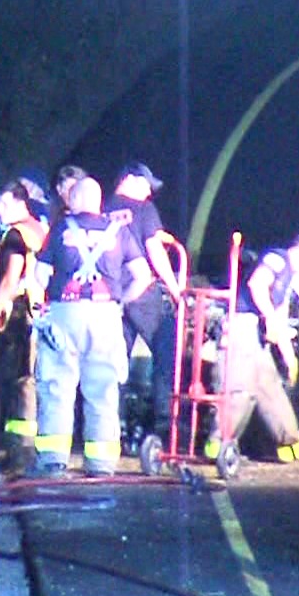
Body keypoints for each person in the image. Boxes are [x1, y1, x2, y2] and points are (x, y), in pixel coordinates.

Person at [32, 178, 151, 477]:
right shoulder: (119, 231)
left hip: (64, 314)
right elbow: (142, 275)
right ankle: (100, 462)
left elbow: (39, 274)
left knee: (57, 386)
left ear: (73, 201)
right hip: (105, 317)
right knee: (103, 390)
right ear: (99, 201)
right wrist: (121, 300)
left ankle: (53, 460)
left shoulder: (61, 229)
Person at [207, 236, 299, 465]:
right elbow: (257, 284)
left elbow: (278, 316)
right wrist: (269, 318)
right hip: (241, 325)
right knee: (239, 389)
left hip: (255, 332)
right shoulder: (278, 258)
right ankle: (219, 445)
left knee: (269, 388)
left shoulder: (289, 277)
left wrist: (289, 357)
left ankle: (293, 444)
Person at [107, 162, 185, 436]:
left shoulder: (102, 209)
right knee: (167, 351)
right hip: (142, 291)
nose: (150, 193)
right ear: (130, 179)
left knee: (114, 360)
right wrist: (176, 291)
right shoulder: (145, 210)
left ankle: (110, 424)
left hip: (112, 294)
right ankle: (164, 423)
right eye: (146, 186)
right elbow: (155, 252)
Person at [0, 180, 50, 472]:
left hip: (14, 318)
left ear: (21, 203)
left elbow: (9, 280)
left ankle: (14, 453)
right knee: (29, 384)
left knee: (9, 384)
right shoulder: (41, 231)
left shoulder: (15, 236)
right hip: (39, 315)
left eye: (3, 204)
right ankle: (24, 451)